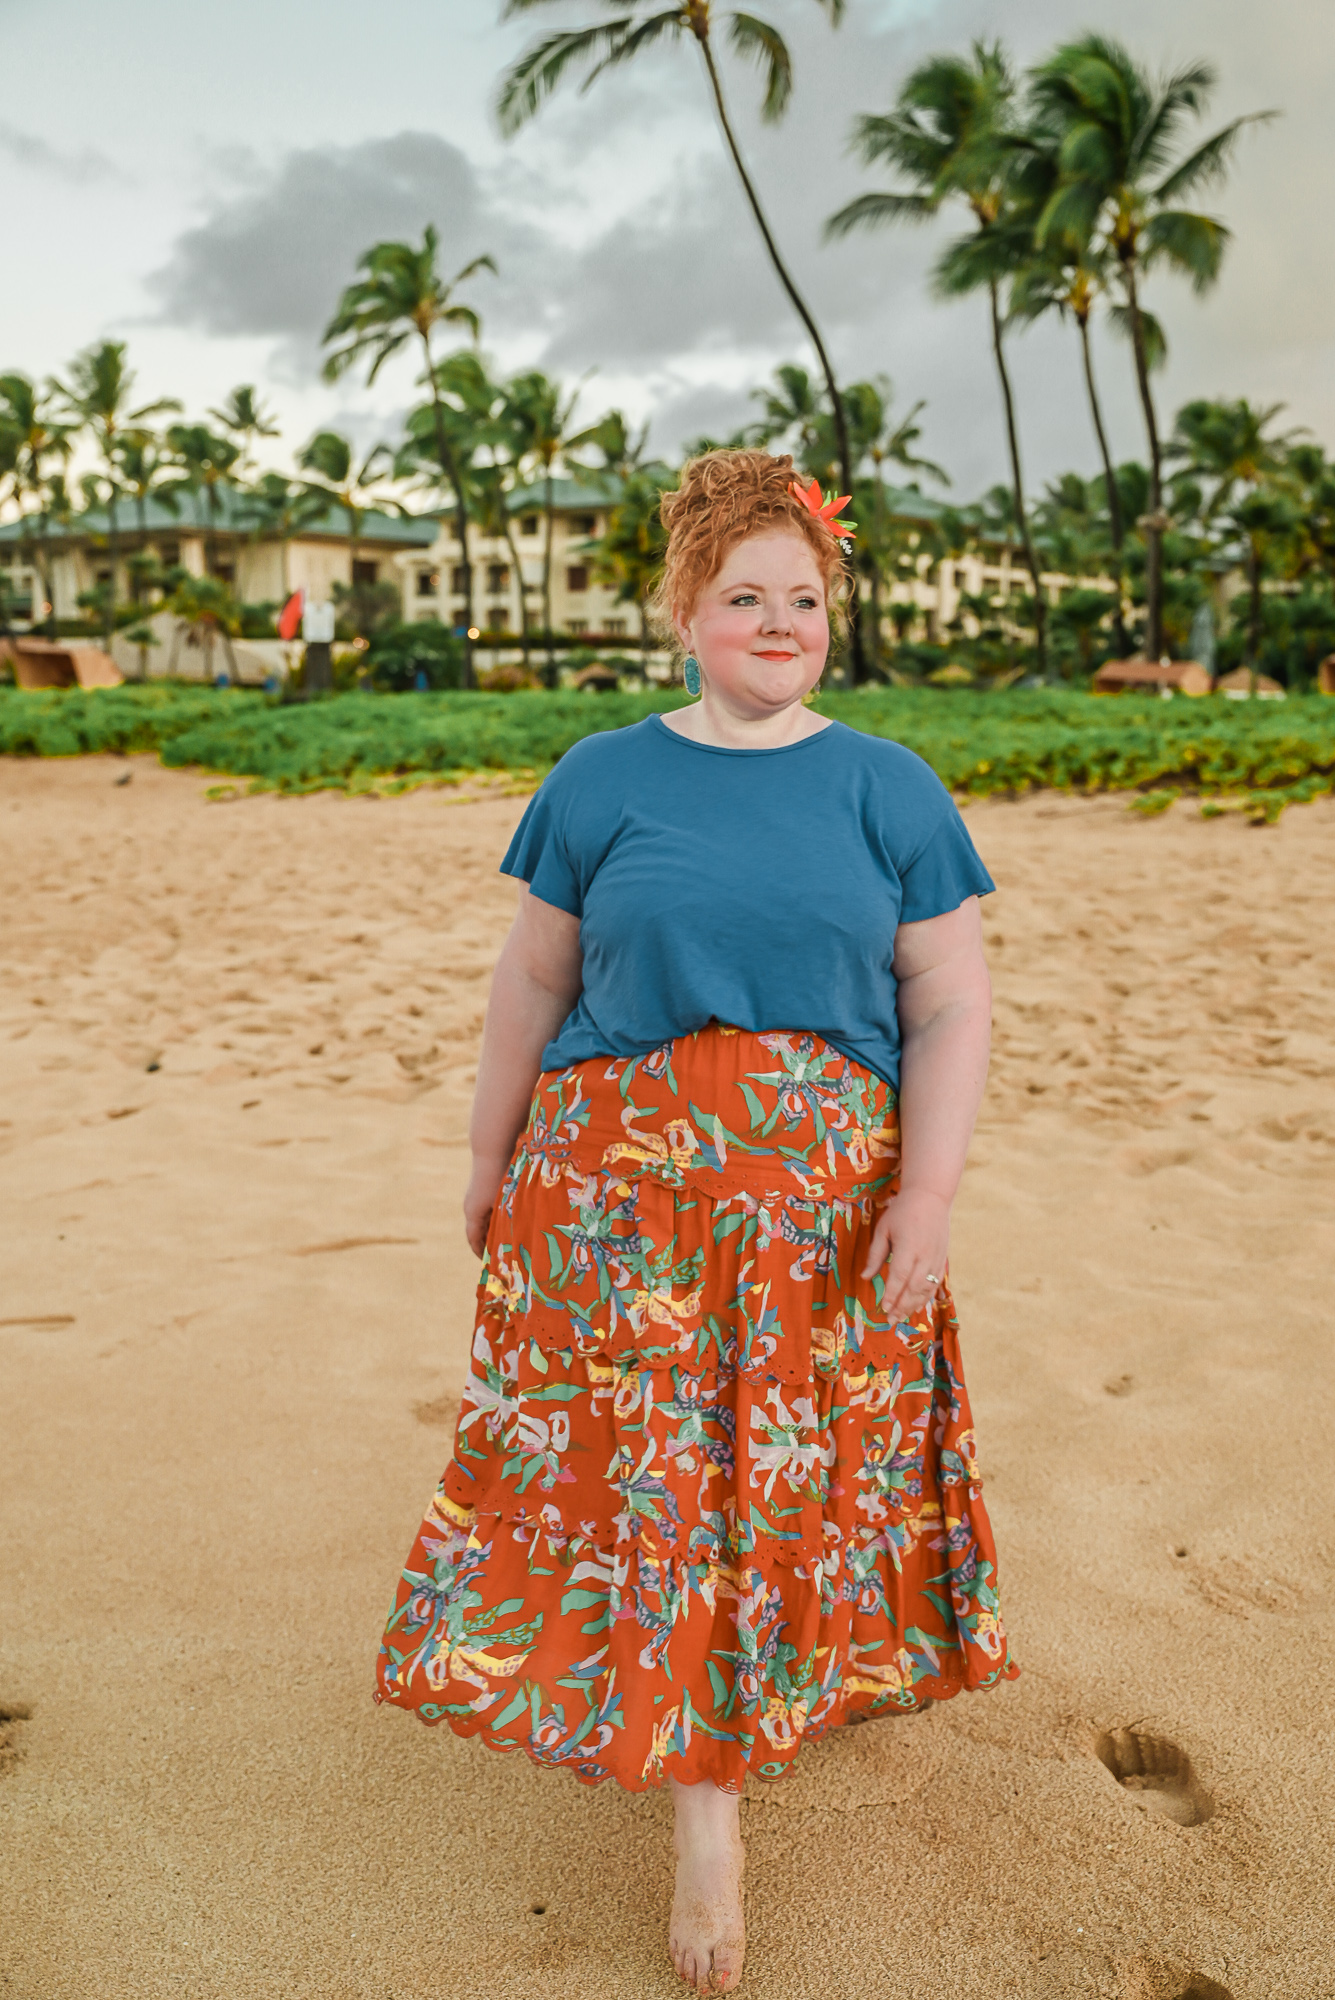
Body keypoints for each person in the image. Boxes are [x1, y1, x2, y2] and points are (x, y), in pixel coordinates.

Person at [376, 449, 1018, 1994]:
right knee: (664, 1497)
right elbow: (534, 980)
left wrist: (927, 1189)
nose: (779, 621)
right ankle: (708, 1830)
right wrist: (487, 1151)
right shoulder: (600, 776)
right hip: (615, 1208)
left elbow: (950, 999)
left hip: (822, 1211)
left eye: (804, 597)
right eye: (745, 597)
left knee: (788, 1484)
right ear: (685, 610)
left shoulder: (889, 784)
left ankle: (767, 1711)